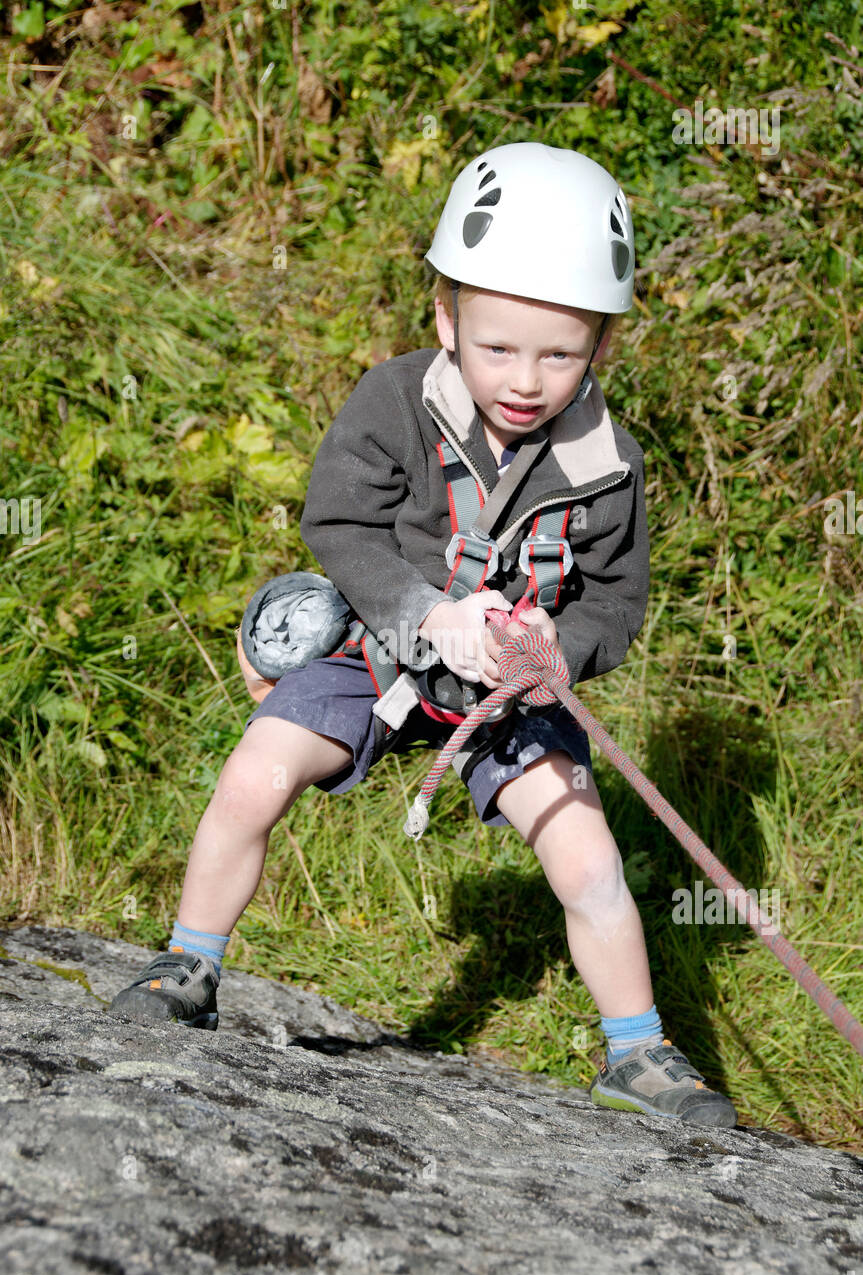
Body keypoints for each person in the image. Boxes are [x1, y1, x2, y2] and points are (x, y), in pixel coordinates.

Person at [109, 142, 736, 1128]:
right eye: (495, 347)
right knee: (256, 773)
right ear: (444, 317)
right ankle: (186, 963)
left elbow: (615, 603)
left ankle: (637, 1051)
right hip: (378, 650)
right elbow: (339, 523)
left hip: (507, 693)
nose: (524, 378)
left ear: (600, 349)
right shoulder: (396, 401)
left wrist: (559, 652)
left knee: (588, 859)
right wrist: (427, 615)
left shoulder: (608, 465)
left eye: (559, 353)